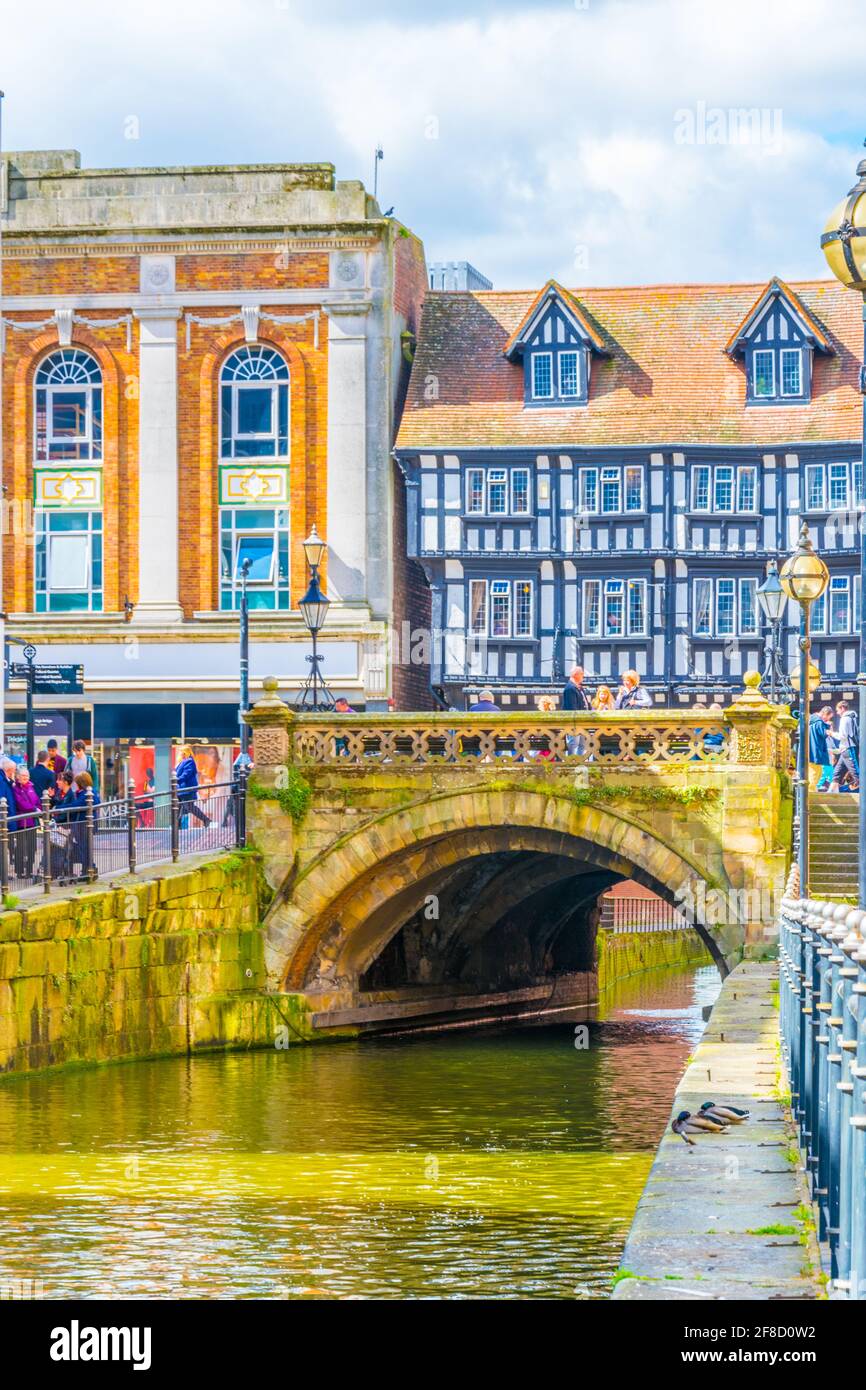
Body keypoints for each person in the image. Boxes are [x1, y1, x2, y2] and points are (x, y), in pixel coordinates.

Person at [12, 766, 41, 880]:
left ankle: (29, 870)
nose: (25, 778)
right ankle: (19, 871)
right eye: (23, 776)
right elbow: (20, 803)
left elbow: (37, 801)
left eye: (27, 776)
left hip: (32, 822)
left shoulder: (31, 787)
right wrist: (34, 809)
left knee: (32, 847)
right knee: (20, 847)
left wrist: (38, 808)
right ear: (18, 777)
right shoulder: (16, 788)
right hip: (22, 822)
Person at [175, 747, 211, 827]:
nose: (180, 755)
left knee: (189, 807)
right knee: (178, 807)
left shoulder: (189, 761)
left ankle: (206, 819)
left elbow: (186, 774)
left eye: (181, 753)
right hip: (181, 790)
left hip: (187, 790)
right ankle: (177, 826)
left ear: (185, 753)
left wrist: (178, 780)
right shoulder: (183, 761)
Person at [830, 701, 859, 793]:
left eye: (838, 710)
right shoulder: (851, 718)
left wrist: (831, 733)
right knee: (837, 774)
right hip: (845, 750)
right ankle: (831, 793)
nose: (837, 713)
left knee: (856, 774)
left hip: (848, 749)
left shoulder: (845, 718)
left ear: (842, 708)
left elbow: (842, 736)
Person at [808, 706, 835, 791]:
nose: (827, 720)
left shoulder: (812, 720)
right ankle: (811, 793)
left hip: (810, 750)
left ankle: (812, 790)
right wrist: (829, 729)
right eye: (828, 717)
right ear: (824, 714)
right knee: (815, 772)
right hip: (815, 751)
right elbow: (823, 733)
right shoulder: (818, 722)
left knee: (818, 772)